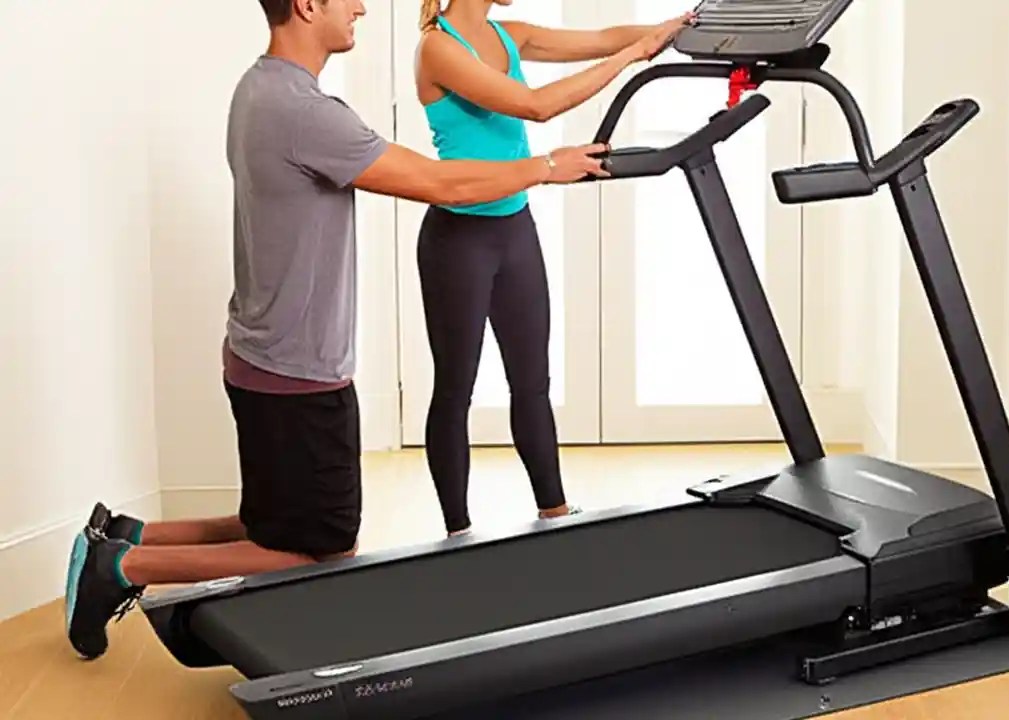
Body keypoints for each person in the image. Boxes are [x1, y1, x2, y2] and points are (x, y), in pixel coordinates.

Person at [63, 0, 608, 661]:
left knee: (271, 521)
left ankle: (129, 533)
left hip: (266, 357)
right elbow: (442, 182)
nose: (361, 8)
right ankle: (121, 567)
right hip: (297, 371)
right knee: (321, 549)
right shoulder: (304, 112)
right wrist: (548, 166)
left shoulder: (260, 87)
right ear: (307, 4)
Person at [413, 0, 694, 536]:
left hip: (514, 229)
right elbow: (535, 106)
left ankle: (555, 514)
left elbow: (601, 37)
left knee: (533, 383)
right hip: (458, 239)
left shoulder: (510, 36)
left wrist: (670, 29)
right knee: (455, 388)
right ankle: (457, 534)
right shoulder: (438, 48)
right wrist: (635, 55)